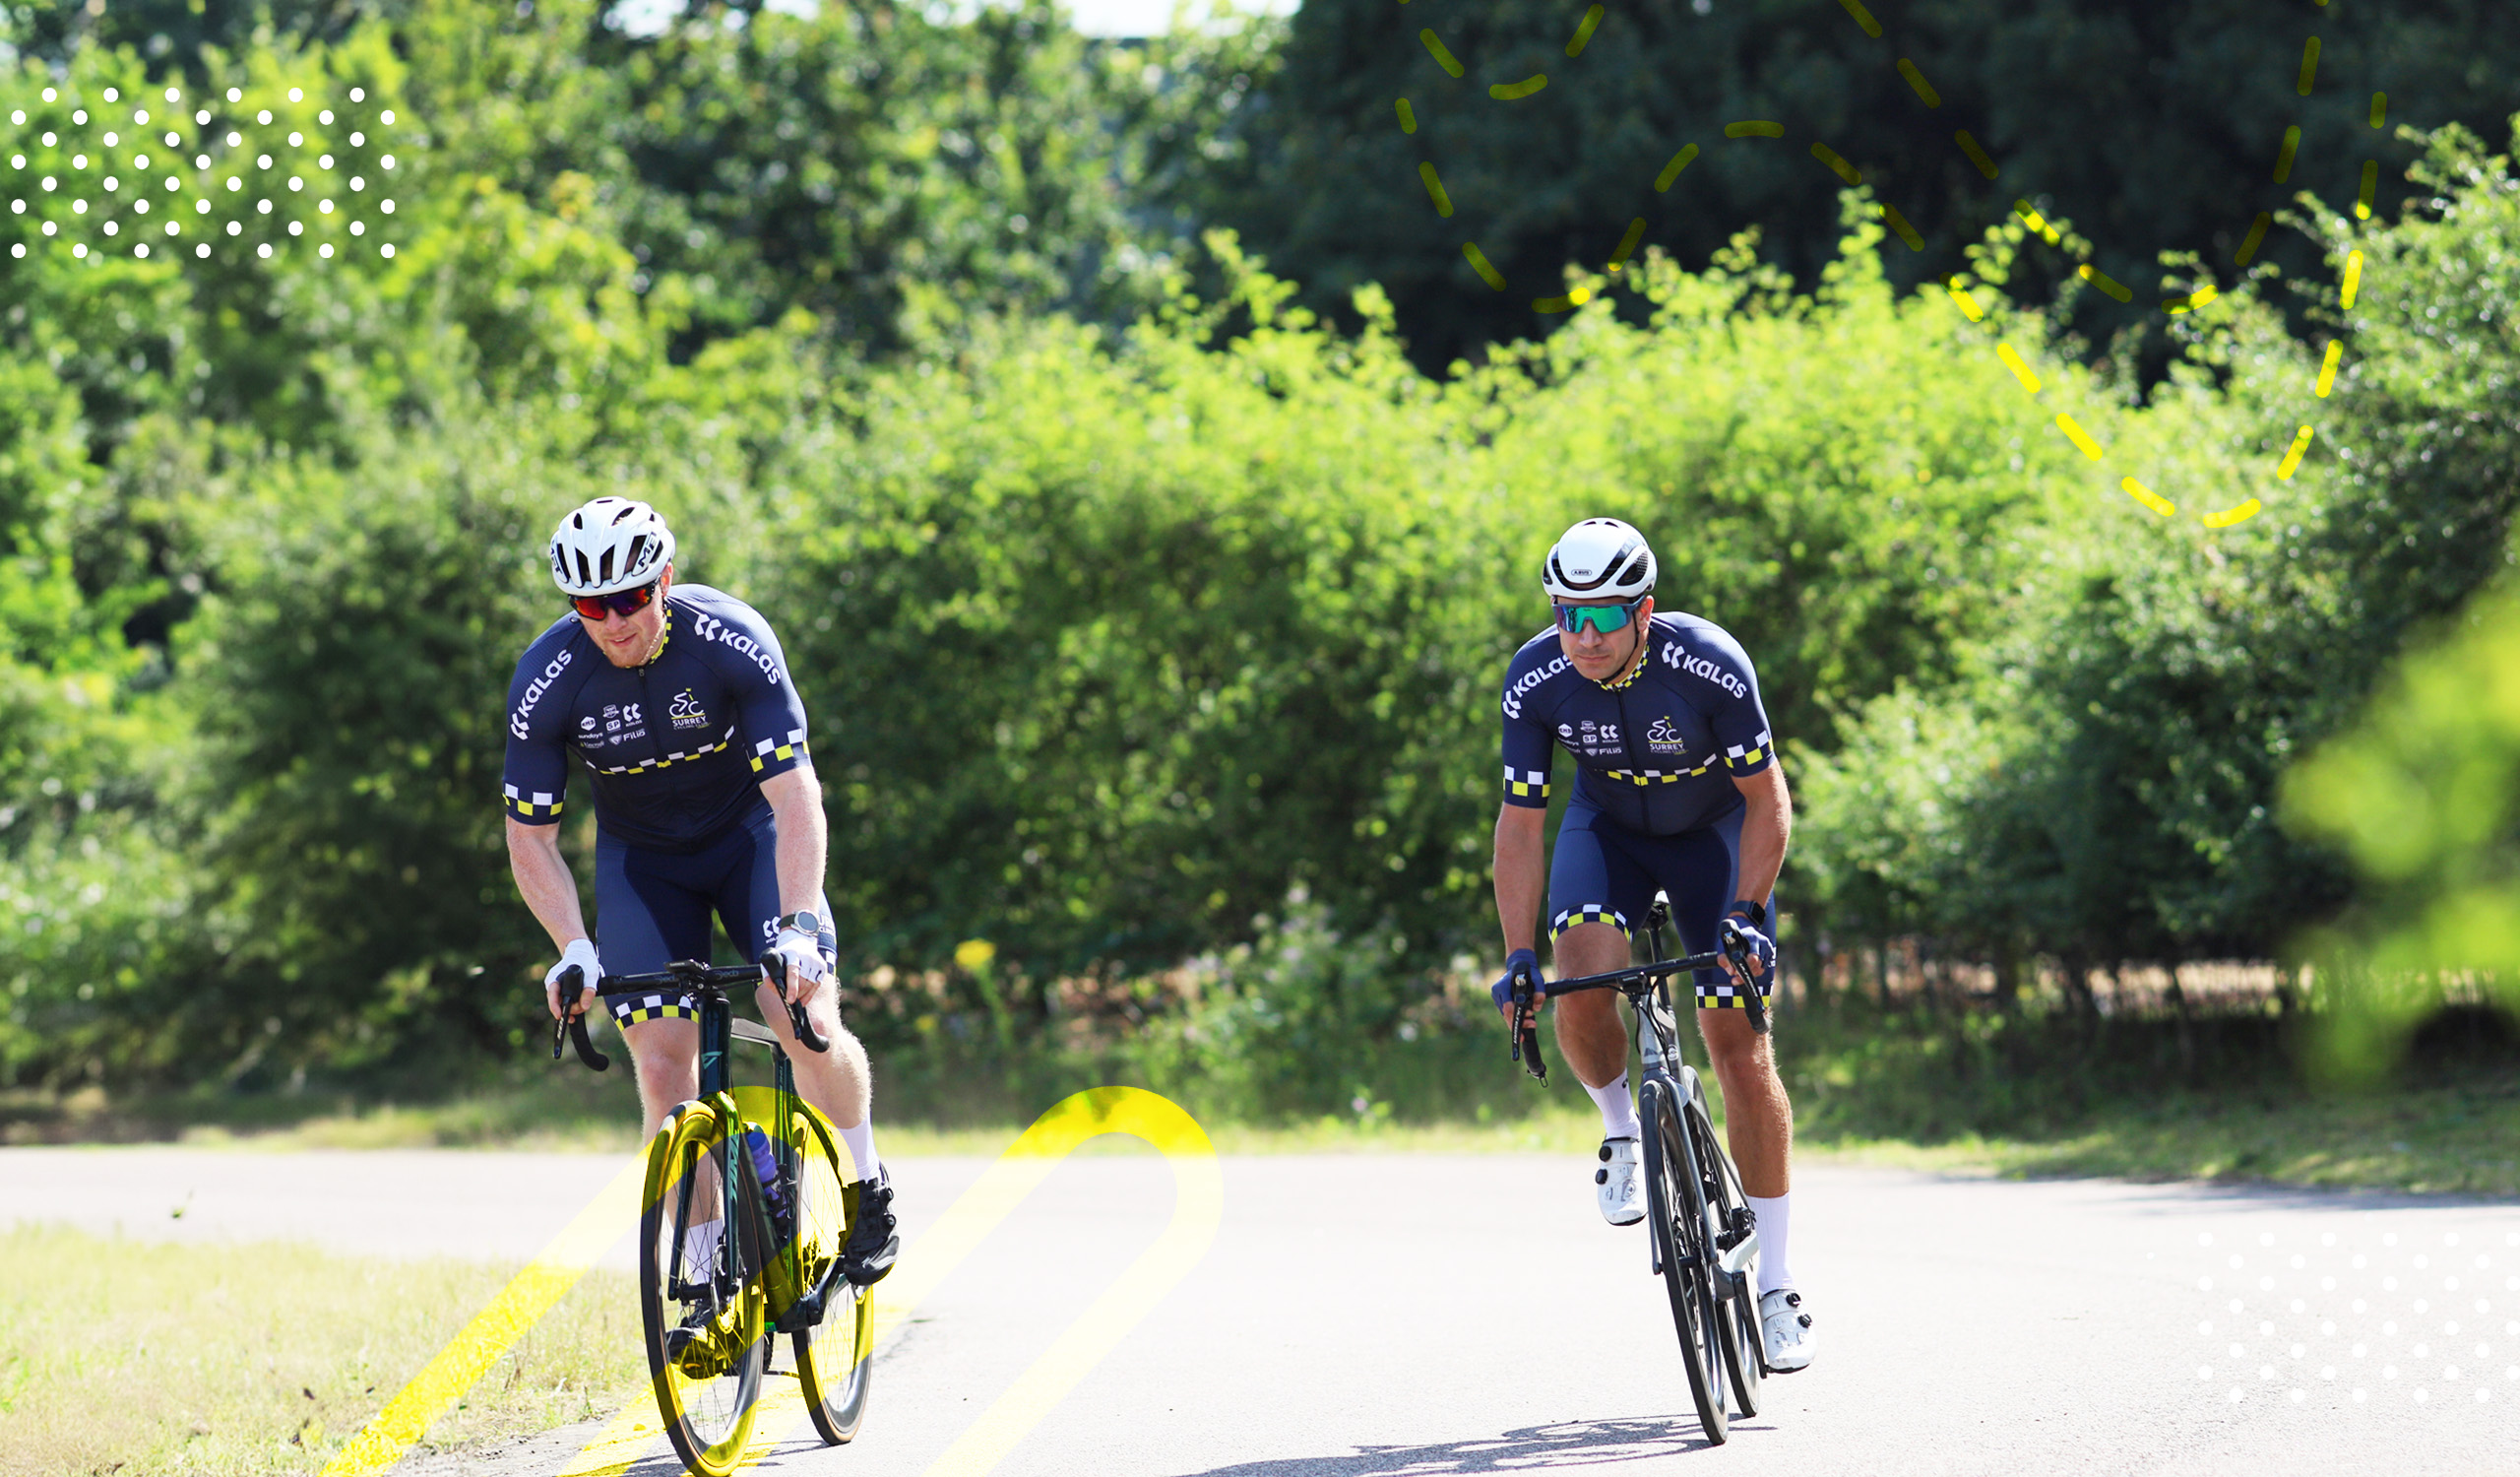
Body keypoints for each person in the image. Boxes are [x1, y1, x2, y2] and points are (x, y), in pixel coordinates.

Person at [502, 495, 897, 1286]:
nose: (613, 621)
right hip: (643, 863)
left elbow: (795, 798)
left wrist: (794, 924)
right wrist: (572, 948)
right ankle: (704, 1266)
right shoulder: (548, 681)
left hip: (751, 841)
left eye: (630, 599)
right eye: (590, 605)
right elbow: (530, 837)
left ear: (665, 581)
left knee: (801, 1015)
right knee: (660, 1068)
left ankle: (866, 1184)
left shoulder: (731, 641)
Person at [1489, 517, 1813, 1373]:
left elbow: (1770, 800)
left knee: (1739, 1051)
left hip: (1715, 842)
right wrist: (1517, 952)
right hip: (1609, 836)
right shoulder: (1535, 678)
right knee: (1580, 984)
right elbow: (1521, 827)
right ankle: (1622, 1130)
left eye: (1604, 616)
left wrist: (1746, 909)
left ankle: (1778, 1285)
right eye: (1568, 615)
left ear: (1645, 610)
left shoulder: (1708, 663)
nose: (1584, 636)